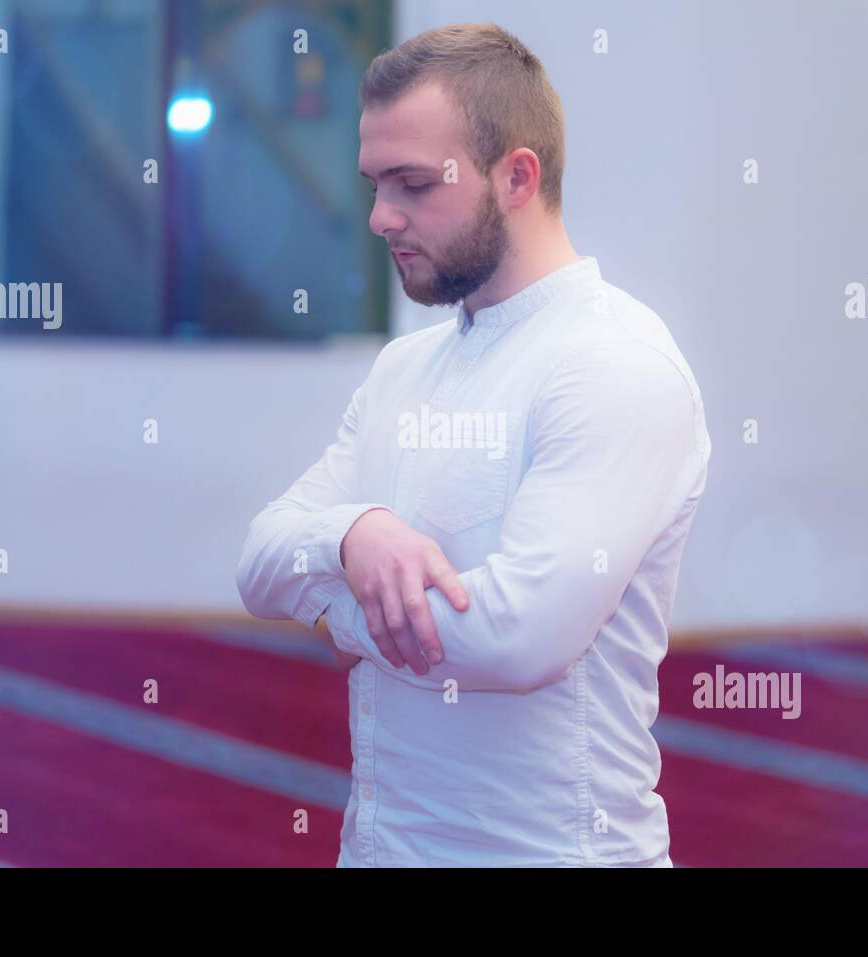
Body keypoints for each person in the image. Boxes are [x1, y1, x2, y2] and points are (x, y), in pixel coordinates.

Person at [236, 22, 710, 867]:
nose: (382, 216)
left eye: (413, 184)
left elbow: (518, 636)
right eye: (376, 184)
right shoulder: (403, 368)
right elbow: (260, 560)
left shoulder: (612, 362)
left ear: (517, 176)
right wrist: (356, 536)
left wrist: (336, 602)